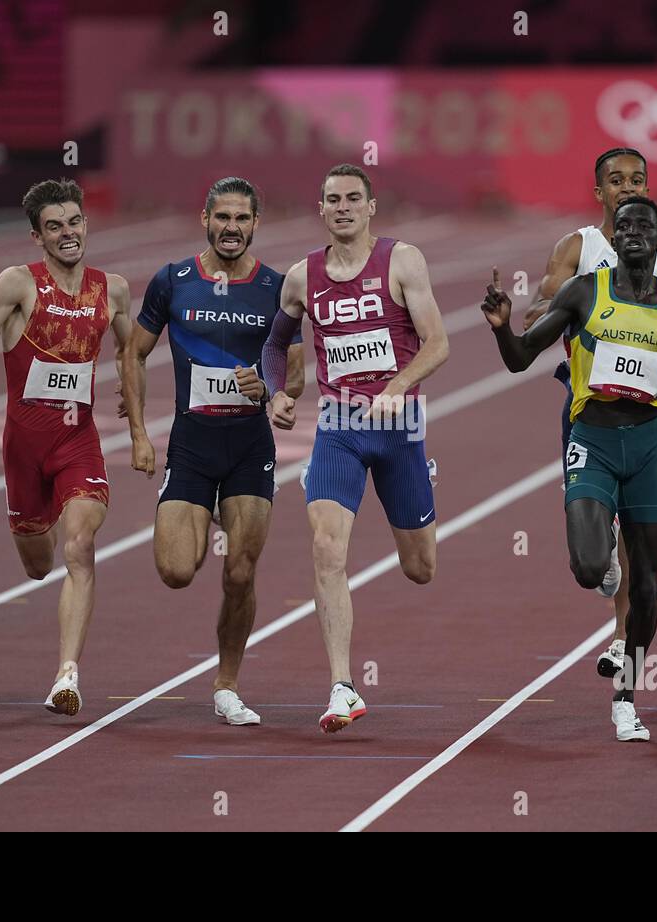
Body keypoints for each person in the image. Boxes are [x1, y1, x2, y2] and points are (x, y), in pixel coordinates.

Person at [485, 195, 657, 741]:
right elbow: (521, 357)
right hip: (593, 440)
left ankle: (626, 697)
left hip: (649, 446)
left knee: (647, 583)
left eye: (642, 228)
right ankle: (603, 549)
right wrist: (502, 326)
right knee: (587, 568)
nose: (629, 234)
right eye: (622, 226)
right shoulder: (585, 291)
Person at [260, 164, 449, 733]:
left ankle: (422, 481)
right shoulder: (301, 277)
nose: (341, 207)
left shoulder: (402, 261)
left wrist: (395, 388)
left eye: (352, 199)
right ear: (321, 210)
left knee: (420, 568)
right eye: (331, 200)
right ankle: (342, 685)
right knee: (326, 547)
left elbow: (438, 344)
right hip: (338, 428)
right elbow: (274, 345)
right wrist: (276, 394)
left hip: (401, 430)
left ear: (370, 208)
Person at [122, 177, 305, 726]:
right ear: (205, 218)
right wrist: (136, 433)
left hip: (250, 447)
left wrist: (272, 391)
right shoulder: (172, 281)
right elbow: (133, 353)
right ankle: (198, 526)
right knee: (177, 570)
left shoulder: (276, 287)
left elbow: (294, 373)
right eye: (222, 217)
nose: (232, 228)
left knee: (241, 573)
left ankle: (227, 684)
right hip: (192, 446)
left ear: (255, 224)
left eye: (242, 219)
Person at [0, 179, 132, 715]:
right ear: (38, 236)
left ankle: (66, 675)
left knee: (81, 545)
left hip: (78, 442)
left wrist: (131, 391)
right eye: (54, 226)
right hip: (23, 450)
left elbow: (133, 348)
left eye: (74, 222)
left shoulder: (113, 288)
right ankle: (42, 518)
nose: (68, 233)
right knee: (38, 565)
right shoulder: (18, 284)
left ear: (86, 224)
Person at [521, 147, 657, 679]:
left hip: (644, 413)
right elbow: (537, 313)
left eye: (637, 180)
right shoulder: (579, 248)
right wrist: (579, 317)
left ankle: (621, 640)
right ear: (599, 193)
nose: (628, 188)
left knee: (640, 538)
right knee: (593, 541)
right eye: (616, 181)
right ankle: (600, 555)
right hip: (586, 407)